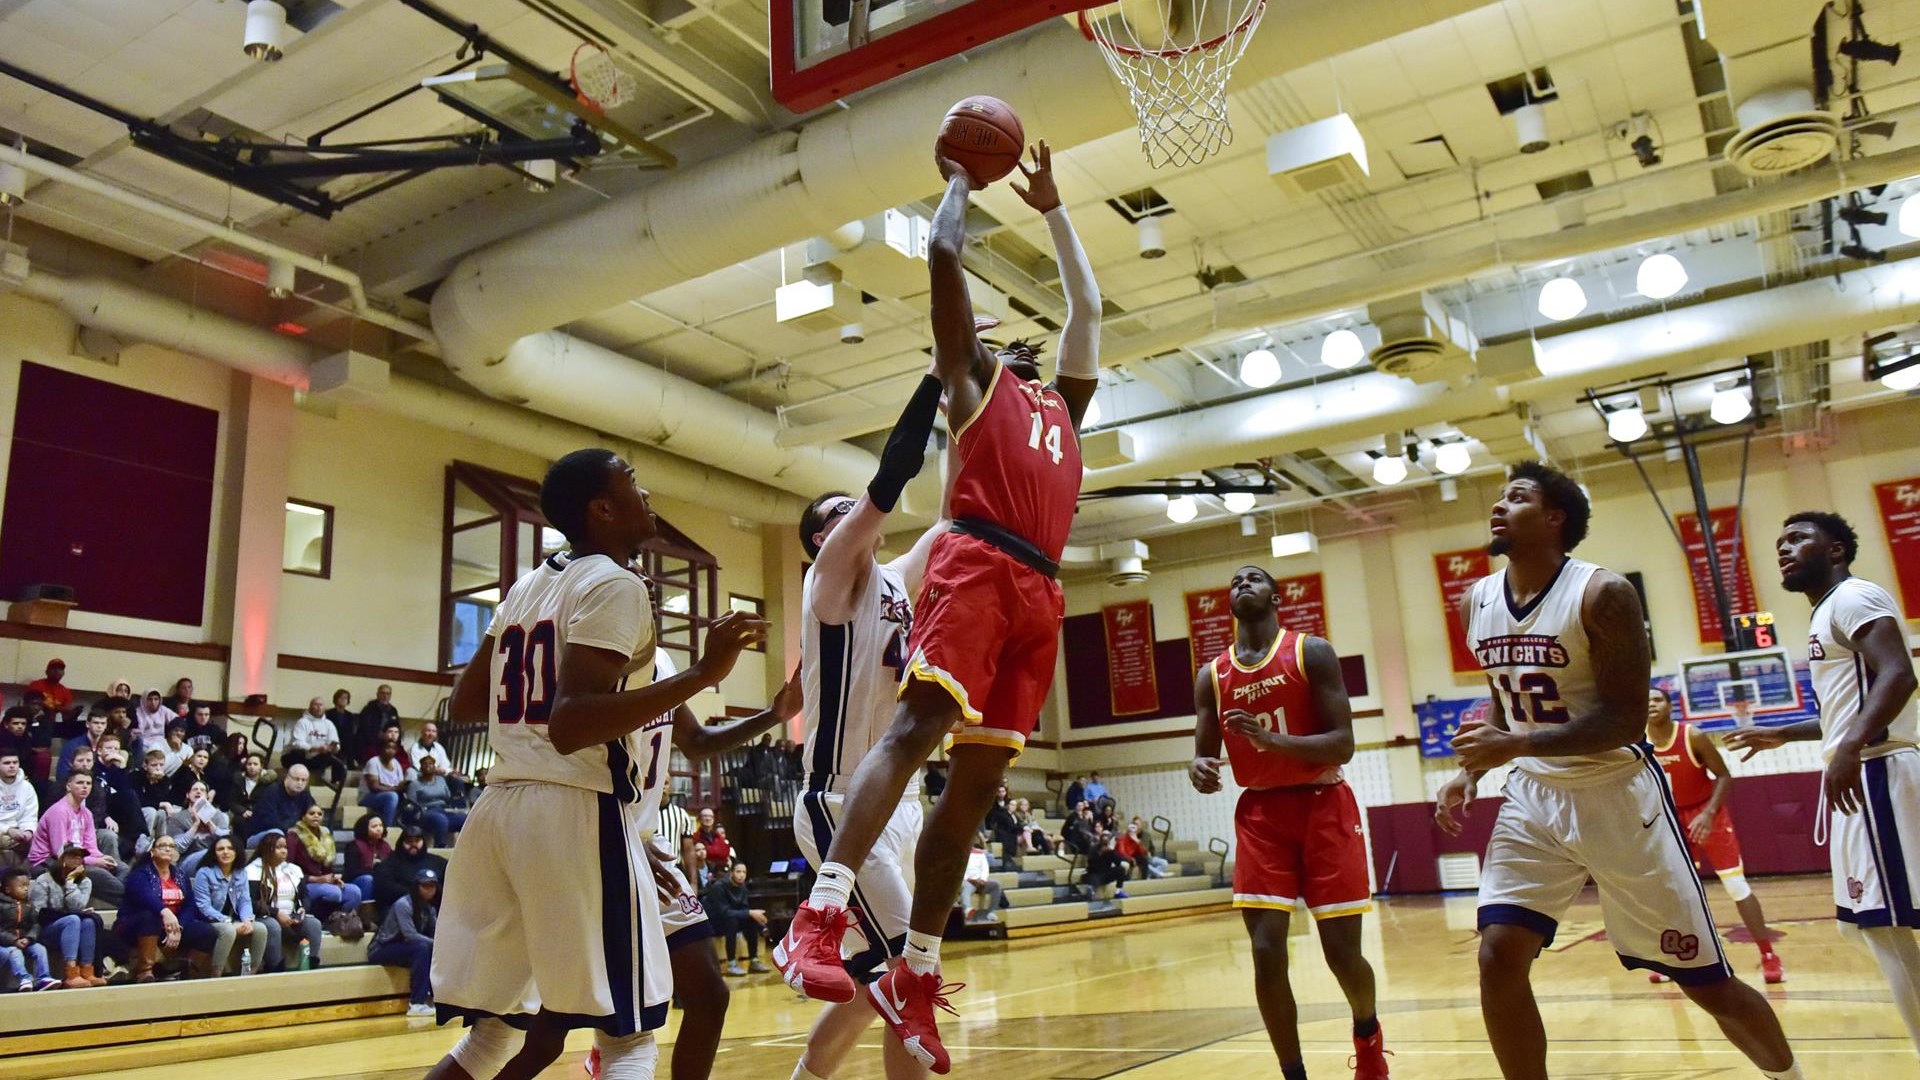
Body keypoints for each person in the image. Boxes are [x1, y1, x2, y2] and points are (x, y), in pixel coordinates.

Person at [777, 138, 1099, 1072]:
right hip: (982, 560)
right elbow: (944, 259)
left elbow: (1088, 309)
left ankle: (917, 970)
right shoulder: (969, 391)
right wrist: (961, 177)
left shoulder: (1061, 415)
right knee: (916, 729)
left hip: (1039, 586)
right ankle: (821, 908)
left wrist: (1053, 207)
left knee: (976, 786)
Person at [1434, 462, 1802, 1080]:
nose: (1498, 507)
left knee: (1703, 980)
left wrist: (1513, 744)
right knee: (1498, 955)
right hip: (1533, 796)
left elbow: (1627, 721)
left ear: (1555, 519)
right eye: (1500, 498)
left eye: (1517, 498)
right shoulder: (1477, 599)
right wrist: (1471, 769)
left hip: (1617, 794)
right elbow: (1504, 694)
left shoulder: (1602, 594)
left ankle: (1789, 1076)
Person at [420, 448, 767, 1080]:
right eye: (632, 483)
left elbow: (468, 700)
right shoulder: (615, 582)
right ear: (602, 508)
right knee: (629, 1035)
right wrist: (703, 673)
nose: (646, 493)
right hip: (573, 809)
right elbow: (572, 724)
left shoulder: (528, 585)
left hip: (500, 810)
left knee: (494, 1037)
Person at [776, 363, 957, 1080]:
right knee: (910, 961)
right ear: (823, 540)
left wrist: (974, 400)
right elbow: (893, 475)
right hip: (839, 800)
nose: (850, 514)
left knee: (872, 983)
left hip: (900, 804)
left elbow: (951, 517)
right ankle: (801, 941)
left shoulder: (893, 581)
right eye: (835, 514)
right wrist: (936, 380)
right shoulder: (830, 580)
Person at [1727, 511, 1920, 1051]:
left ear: (1835, 550)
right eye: (1780, 541)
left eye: (1798, 538)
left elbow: (1899, 674)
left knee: (1880, 925)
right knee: (1858, 924)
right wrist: (1785, 734)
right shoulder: (1825, 615)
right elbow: (1847, 711)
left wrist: (1851, 747)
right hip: (1863, 769)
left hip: (1878, 769)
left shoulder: (1855, 597)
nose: (1784, 549)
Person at [1645, 688, 1784, 985]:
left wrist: (1708, 814)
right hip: (1671, 819)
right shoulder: (1639, 742)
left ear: (1670, 706)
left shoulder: (1691, 736)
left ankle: (1769, 955)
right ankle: (1677, 958)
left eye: (1656, 699)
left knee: (1735, 886)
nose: (1650, 705)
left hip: (1708, 814)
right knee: (1676, 891)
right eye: (1645, 701)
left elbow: (1723, 775)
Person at [29, 769, 124, 904]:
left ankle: (127, 899)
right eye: (80, 783)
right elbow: (60, 853)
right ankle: (130, 903)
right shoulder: (59, 811)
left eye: (88, 783)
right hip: (49, 863)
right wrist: (95, 862)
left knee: (121, 867)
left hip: (78, 860)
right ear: (68, 786)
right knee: (100, 874)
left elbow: (91, 846)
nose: (85, 786)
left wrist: (101, 858)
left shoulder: (87, 813)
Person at [184, 835, 266, 977]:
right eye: (220, 849)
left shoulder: (241, 873)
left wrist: (247, 919)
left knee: (260, 928)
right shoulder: (204, 873)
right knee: (228, 930)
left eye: (230, 848)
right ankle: (216, 973)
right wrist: (227, 921)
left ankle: (252, 972)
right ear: (214, 853)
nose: (226, 852)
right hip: (209, 921)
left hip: (233, 920)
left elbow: (245, 901)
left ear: (236, 852)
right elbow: (203, 906)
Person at [248, 832, 324, 971]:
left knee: (314, 924)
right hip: (265, 916)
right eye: (278, 847)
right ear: (267, 848)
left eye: (285, 847)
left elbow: (304, 896)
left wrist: (302, 910)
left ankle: (311, 966)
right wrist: (276, 913)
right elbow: (251, 903)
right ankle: (275, 968)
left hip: (291, 916)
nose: (283, 850)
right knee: (272, 926)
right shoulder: (252, 870)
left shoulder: (293, 870)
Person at [32, 845, 107, 986]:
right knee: (73, 919)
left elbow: (77, 906)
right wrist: (64, 914)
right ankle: (71, 973)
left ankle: (87, 971)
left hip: (73, 927)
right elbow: (37, 911)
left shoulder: (85, 882)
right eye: (72, 856)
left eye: (80, 857)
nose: (77, 860)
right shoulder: (44, 879)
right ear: (62, 859)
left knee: (88, 922)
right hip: (47, 928)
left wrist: (70, 882)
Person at [118, 835, 188, 982]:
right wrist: (166, 912)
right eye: (162, 845)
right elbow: (146, 897)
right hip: (134, 926)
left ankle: (186, 974)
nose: (168, 848)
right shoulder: (140, 874)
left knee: (205, 931)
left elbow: (190, 905)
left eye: (171, 846)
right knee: (149, 917)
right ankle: (145, 971)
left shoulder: (181, 876)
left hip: (170, 927)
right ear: (152, 852)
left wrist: (178, 927)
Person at [373, 867, 440, 1016]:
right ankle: (416, 1003)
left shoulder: (430, 908)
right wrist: (436, 943)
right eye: (425, 886)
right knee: (422, 948)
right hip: (383, 948)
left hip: (408, 947)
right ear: (417, 887)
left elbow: (436, 931)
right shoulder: (403, 904)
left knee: (432, 949)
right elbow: (410, 935)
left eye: (432, 886)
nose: (429, 890)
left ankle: (438, 998)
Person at [287, 802, 364, 916]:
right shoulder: (293, 837)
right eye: (311, 813)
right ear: (303, 817)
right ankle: (321, 919)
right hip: (304, 883)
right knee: (333, 893)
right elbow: (289, 868)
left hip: (324, 882)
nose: (316, 816)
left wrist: (333, 879)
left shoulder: (325, 835)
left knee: (354, 892)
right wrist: (316, 879)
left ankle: (337, 920)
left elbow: (327, 869)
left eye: (319, 814)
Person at [702, 862, 768, 976]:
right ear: (731, 872)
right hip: (715, 922)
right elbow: (723, 912)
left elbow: (744, 908)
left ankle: (754, 961)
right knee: (732, 920)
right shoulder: (719, 886)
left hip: (732, 918)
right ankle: (731, 964)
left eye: (744, 872)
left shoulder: (742, 887)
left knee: (751, 919)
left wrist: (753, 915)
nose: (741, 875)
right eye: (738, 872)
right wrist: (749, 912)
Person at [0, 867, 60, 991]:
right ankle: (24, 978)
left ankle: (43, 978)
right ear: (7, 889)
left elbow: (35, 924)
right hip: (6, 944)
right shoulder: (2, 905)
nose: (26, 889)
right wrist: (13, 940)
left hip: (25, 940)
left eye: (27, 885)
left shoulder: (28, 905)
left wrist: (29, 938)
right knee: (14, 952)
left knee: (40, 949)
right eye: (21, 886)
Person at [374, 825, 446, 910]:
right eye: (409, 841)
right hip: (401, 909)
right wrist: (417, 894)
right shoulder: (389, 863)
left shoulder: (438, 862)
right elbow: (385, 889)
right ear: (402, 842)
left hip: (436, 910)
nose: (413, 844)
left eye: (417, 841)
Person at [285, 698, 347, 788]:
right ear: (310, 707)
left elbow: (335, 743)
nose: (318, 707)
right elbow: (297, 743)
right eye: (316, 704)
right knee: (297, 753)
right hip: (299, 756)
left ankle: (336, 783)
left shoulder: (329, 724)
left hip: (317, 757)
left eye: (321, 705)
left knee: (339, 756)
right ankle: (297, 780)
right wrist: (316, 748)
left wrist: (332, 748)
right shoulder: (302, 722)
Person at [249, 765, 317, 848]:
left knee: (322, 830)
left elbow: (313, 813)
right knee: (277, 833)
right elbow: (270, 822)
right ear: (287, 777)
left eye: (304, 780)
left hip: (291, 834)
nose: (300, 783)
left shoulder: (305, 795)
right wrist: (292, 831)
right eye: (297, 779)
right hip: (262, 835)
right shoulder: (272, 791)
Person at [407, 756, 466, 848]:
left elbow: (447, 797)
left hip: (442, 809)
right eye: (425, 764)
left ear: (435, 767)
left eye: (430, 764)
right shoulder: (414, 784)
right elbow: (411, 803)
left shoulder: (441, 780)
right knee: (440, 819)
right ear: (420, 768)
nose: (428, 766)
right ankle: (441, 847)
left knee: (463, 818)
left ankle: (463, 849)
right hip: (425, 811)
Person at [163, 780, 230, 857]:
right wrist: (195, 825)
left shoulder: (217, 815)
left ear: (207, 796)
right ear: (188, 795)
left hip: (214, 856)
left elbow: (227, 841)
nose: (198, 792)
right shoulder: (177, 817)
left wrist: (209, 823)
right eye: (195, 789)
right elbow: (175, 848)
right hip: (189, 858)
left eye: (202, 790)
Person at [360, 737, 408, 832]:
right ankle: (387, 828)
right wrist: (394, 789)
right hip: (368, 797)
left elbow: (400, 783)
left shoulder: (396, 763)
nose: (391, 751)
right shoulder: (373, 762)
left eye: (394, 749)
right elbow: (374, 787)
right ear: (381, 749)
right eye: (388, 748)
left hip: (391, 794)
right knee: (392, 796)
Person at [0, 748, 37, 870]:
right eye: (7, 763)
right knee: (4, 840)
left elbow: (30, 815)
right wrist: (8, 830)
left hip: (19, 831)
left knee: (39, 837)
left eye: (15, 763)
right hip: (3, 831)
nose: (12, 766)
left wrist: (28, 831)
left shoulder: (27, 787)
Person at [346, 814, 389, 905]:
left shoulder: (385, 846)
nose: (379, 829)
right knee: (368, 879)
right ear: (364, 829)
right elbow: (351, 872)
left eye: (381, 825)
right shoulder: (354, 846)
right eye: (374, 826)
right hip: (357, 881)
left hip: (380, 879)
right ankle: (366, 911)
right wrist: (374, 871)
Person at [56, 712, 108, 782]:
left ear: (106, 725)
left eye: (103, 723)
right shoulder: (72, 745)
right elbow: (62, 774)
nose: (99, 726)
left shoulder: (109, 745)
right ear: (87, 724)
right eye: (96, 723)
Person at [226, 752, 270, 832]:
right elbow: (232, 802)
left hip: (259, 813)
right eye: (249, 764)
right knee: (239, 822)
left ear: (261, 767)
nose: (252, 767)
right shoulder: (238, 780)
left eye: (255, 764)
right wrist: (243, 811)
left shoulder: (266, 782)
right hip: (241, 813)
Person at [357, 684, 401, 763]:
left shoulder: (393, 710)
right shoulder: (368, 709)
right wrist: (379, 735)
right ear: (377, 694)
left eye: (388, 694)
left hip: (388, 741)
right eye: (382, 693)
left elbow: (397, 727)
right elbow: (365, 728)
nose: (385, 696)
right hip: (370, 741)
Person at [961, 848, 1002, 923]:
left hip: (980, 881)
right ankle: (968, 911)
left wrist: (983, 879)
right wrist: (969, 879)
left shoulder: (980, 853)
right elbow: (958, 870)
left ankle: (991, 911)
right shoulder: (958, 854)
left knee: (996, 885)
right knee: (965, 887)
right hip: (967, 881)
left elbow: (985, 868)